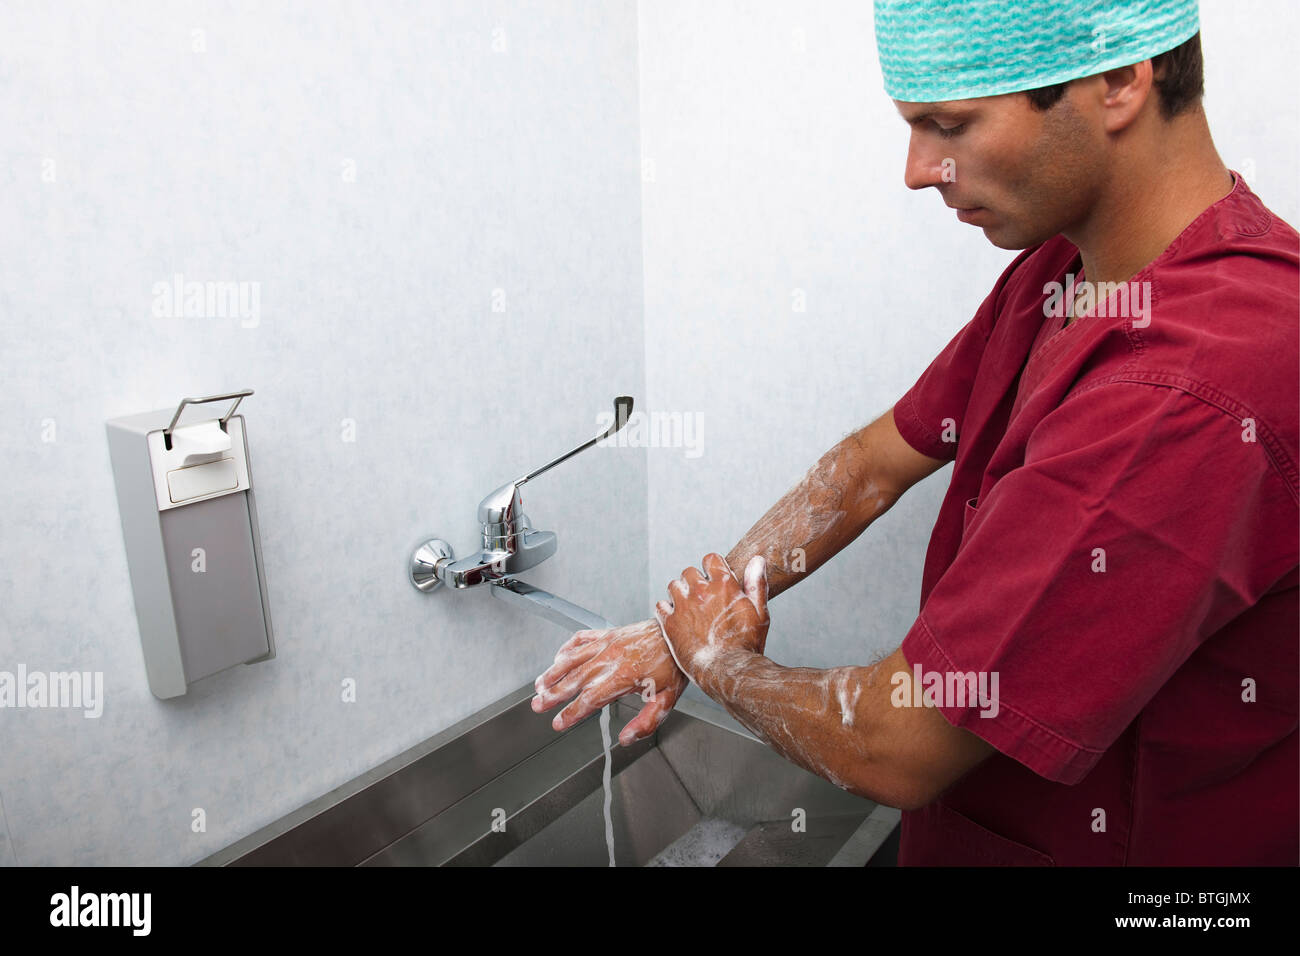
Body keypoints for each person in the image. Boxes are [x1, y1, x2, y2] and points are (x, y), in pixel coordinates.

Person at [532, 0, 1298, 865]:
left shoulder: (1194, 389)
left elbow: (896, 743)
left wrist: (716, 660)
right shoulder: (1067, 272)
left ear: (1118, 78)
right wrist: (685, 628)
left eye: (949, 124)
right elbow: (869, 467)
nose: (915, 169)